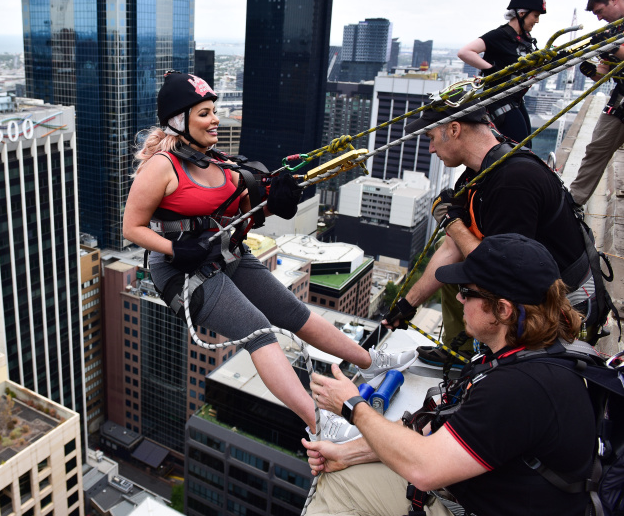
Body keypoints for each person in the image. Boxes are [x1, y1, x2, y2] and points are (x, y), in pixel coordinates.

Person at [122, 71, 416, 439]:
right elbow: (131, 228)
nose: (214, 119)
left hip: (223, 252)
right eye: (203, 113)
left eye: (214, 110)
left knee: (293, 312)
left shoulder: (220, 163)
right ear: (179, 121)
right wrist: (175, 247)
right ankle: (320, 423)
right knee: (259, 330)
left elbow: (243, 213)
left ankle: (369, 361)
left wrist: (275, 202)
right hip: (180, 270)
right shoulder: (161, 167)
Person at [304, 234, 596, 516]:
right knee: (347, 471)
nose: (458, 296)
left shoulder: (515, 388)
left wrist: (353, 407)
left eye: (467, 292)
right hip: (486, 486)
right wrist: (347, 454)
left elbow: (425, 467)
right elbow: (431, 432)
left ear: (503, 310)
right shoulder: (529, 355)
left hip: (473, 500)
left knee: (340, 487)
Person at [386, 100, 612, 361]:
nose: (431, 148)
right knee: (453, 259)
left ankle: (489, 360)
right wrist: (407, 305)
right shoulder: (480, 173)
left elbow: (500, 271)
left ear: (455, 129)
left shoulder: (512, 183)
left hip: (564, 311)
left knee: (472, 266)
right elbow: (452, 249)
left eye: (433, 137)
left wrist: (451, 221)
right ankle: (461, 353)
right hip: (535, 292)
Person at [457, 0, 546, 145]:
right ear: (522, 13)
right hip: (500, 101)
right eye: (535, 15)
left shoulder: (525, 39)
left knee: (526, 145)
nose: (537, 20)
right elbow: (465, 52)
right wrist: (491, 70)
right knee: (519, 146)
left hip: (516, 99)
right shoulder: (499, 36)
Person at [569, 0, 624, 207]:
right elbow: (603, 74)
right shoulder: (612, 32)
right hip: (620, 99)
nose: (599, 19)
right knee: (596, 149)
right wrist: (591, 72)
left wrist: (610, 47)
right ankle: (572, 203)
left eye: (600, 11)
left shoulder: (610, 37)